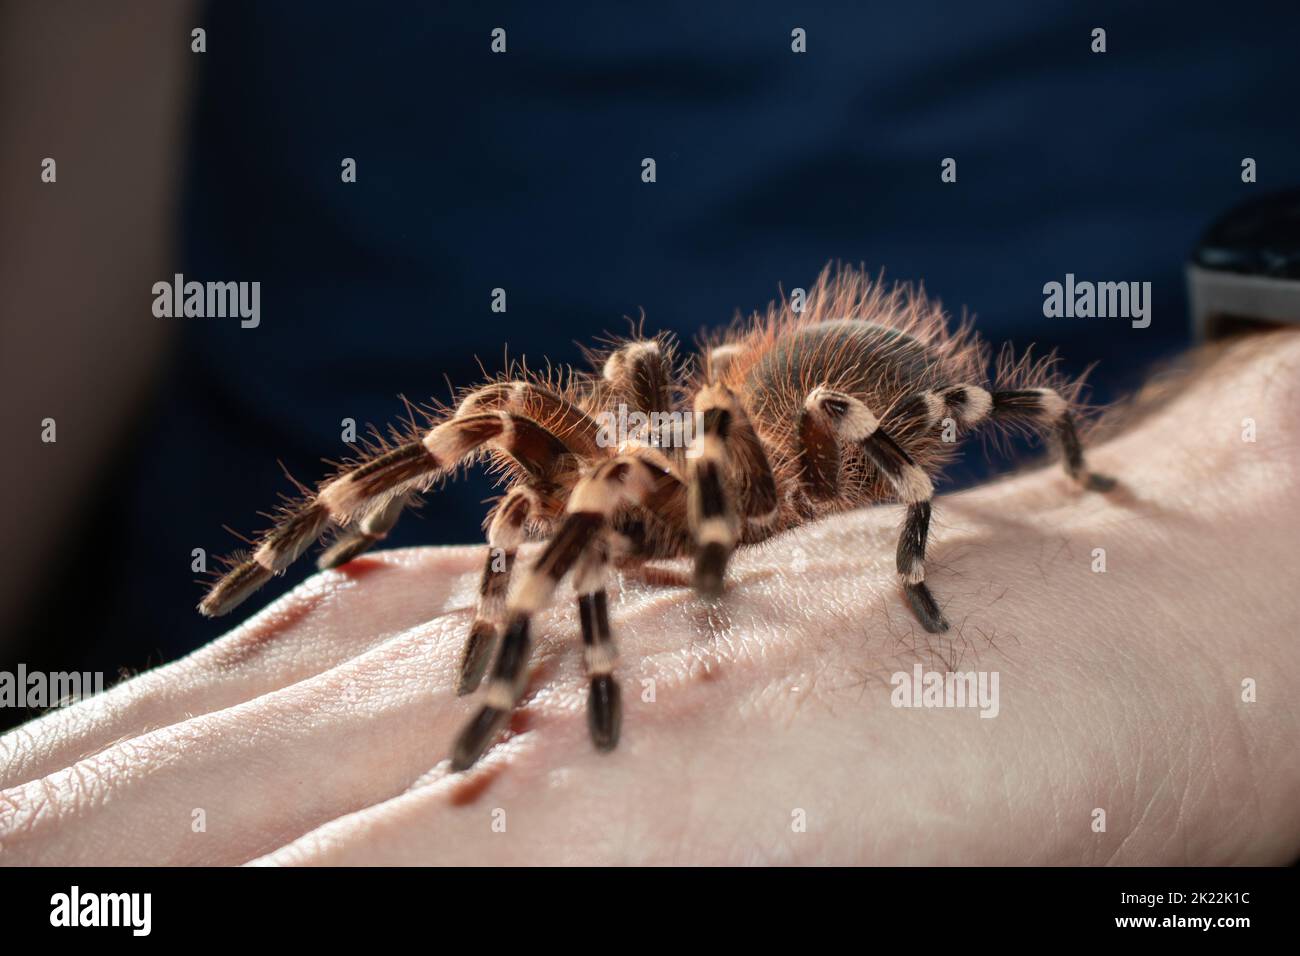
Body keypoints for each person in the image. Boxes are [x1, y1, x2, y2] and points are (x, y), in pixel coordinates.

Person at [2, 330, 1296, 864]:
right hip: (147, 593)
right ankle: (301, 546)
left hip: (845, 433)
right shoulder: (618, 459)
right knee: (506, 427)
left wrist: (1229, 516)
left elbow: (839, 412)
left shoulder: (793, 434)